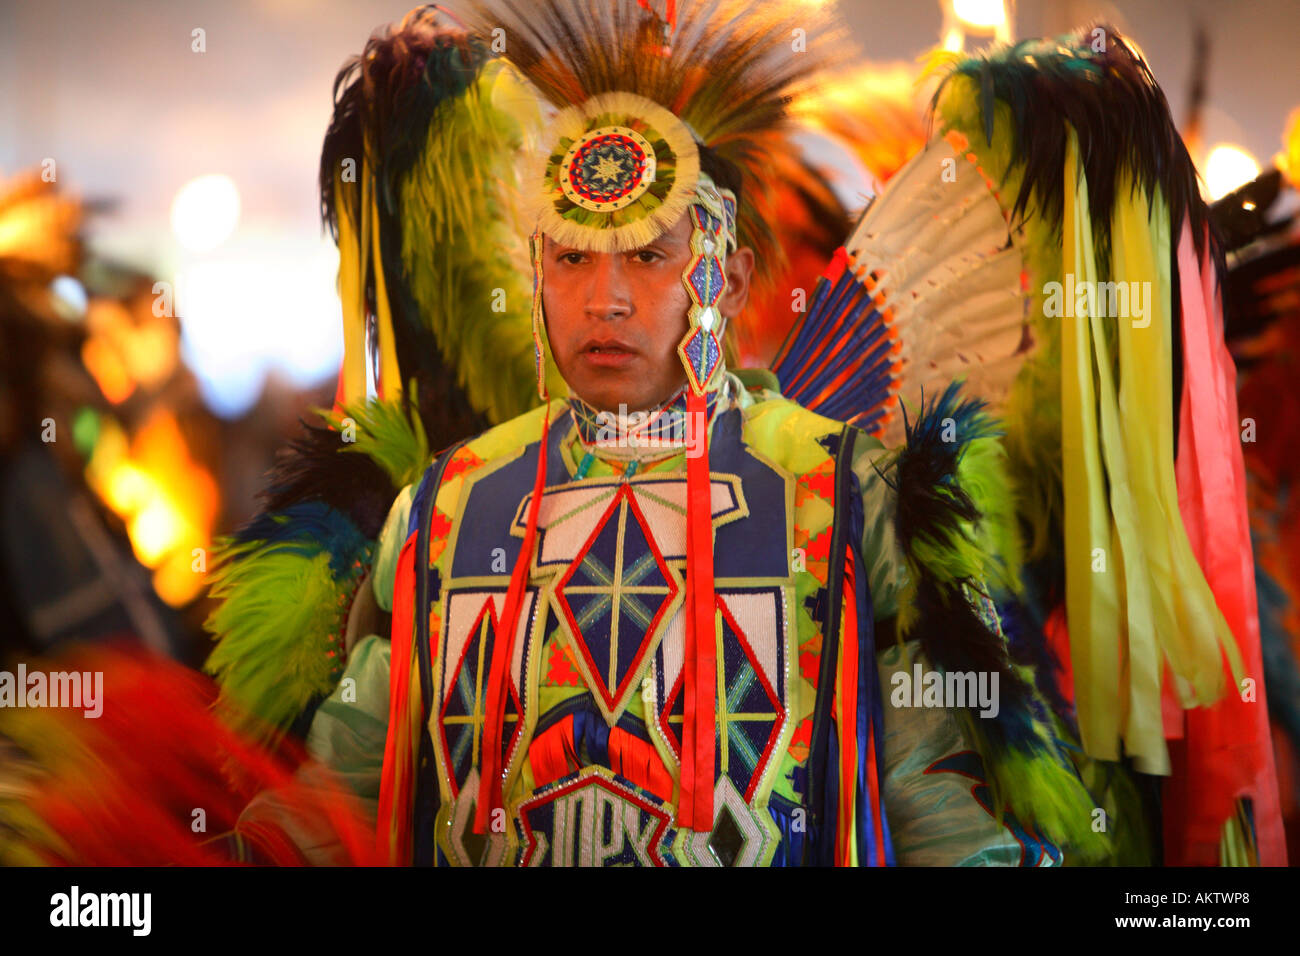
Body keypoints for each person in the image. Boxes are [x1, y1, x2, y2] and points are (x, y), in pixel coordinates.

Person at [230, 0, 1098, 867]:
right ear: (535, 274)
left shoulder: (841, 493)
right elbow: (341, 793)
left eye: (649, 255)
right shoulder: (445, 509)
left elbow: (928, 797)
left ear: (727, 274)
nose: (605, 299)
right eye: (572, 257)